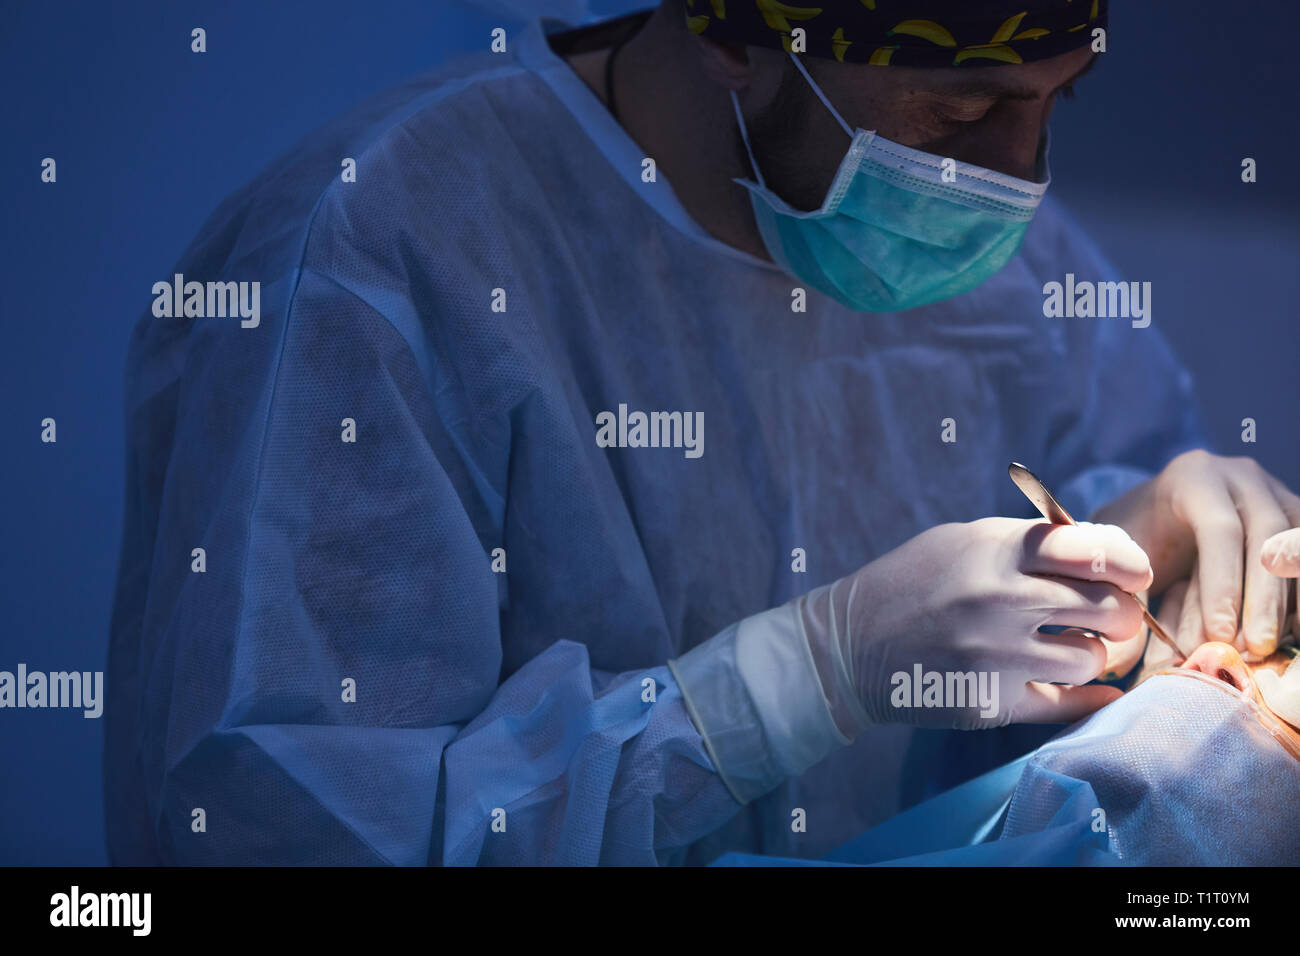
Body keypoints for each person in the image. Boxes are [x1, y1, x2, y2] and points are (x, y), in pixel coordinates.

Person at [105, 0, 1300, 865]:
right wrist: (790, 680)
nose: (1014, 177)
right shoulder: (374, 258)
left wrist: (1129, 551)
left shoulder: (1009, 262)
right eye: (961, 106)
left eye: (1057, 103)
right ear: (733, 30)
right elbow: (297, 830)